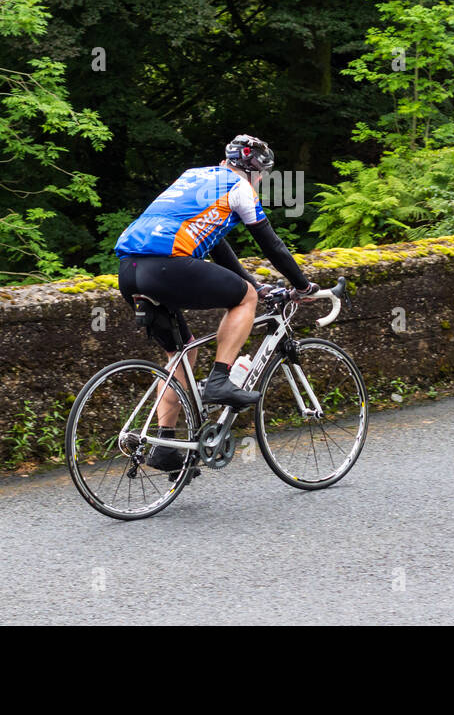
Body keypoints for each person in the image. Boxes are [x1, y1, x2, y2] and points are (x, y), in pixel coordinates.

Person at [114, 134, 319, 471]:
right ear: (254, 170)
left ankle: (165, 447)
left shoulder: (193, 176)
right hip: (167, 266)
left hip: (130, 271)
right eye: (264, 176)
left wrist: (252, 280)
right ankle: (221, 379)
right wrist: (302, 284)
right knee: (245, 299)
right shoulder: (239, 188)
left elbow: (215, 244)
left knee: (182, 353)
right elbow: (272, 245)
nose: (263, 182)